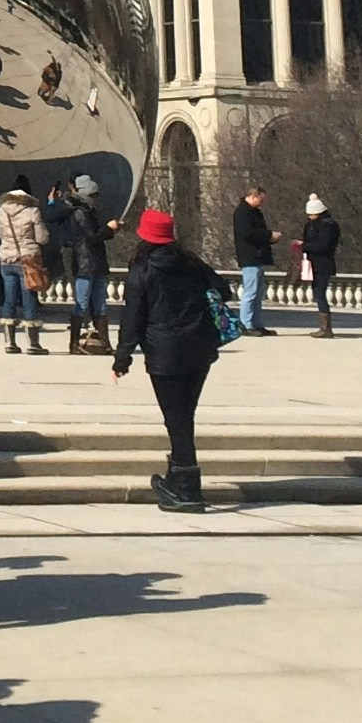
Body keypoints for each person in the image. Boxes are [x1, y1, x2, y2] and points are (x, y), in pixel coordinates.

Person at [111, 209, 222, 513]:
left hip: (165, 354)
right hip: (200, 350)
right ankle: (177, 479)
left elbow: (132, 318)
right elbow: (223, 289)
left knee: (177, 420)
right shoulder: (191, 264)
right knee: (184, 415)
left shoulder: (142, 270)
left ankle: (187, 489)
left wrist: (122, 358)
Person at [0, 173, 48, 357]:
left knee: (9, 298)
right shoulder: (32, 211)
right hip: (27, 259)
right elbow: (42, 238)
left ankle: (10, 342)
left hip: (6, 259)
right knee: (29, 297)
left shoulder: (2, 211)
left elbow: (0, 234)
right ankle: (32, 343)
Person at [68, 176, 117, 356]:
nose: (97, 198)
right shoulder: (81, 213)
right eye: (94, 195)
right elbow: (93, 237)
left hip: (91, 262)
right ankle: (74, 343)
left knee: (100, 303)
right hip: (86, 263)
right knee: (82, 302)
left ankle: (104, 342)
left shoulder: (87, 212)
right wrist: (109, 229)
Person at [232, 187, 280, 335]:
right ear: (253, 196)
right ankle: (246, 324)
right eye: (261, 199)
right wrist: (268, 235)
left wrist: (270, 238)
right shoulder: (242, 213)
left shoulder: (254, 212)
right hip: (250, 257)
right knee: (250, 292)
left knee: (258, 293)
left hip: (257, 257)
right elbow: (247, 234)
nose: (262, 203)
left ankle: (256, 323)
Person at [300, 194, 341, 338]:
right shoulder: (319, 224)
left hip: (322, 264)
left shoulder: (326, 226)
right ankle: (324, 326)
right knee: (318, 293)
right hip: (317, 263)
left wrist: (304, 246)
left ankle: (326, 328)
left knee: (319, 293)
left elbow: (323, 245)